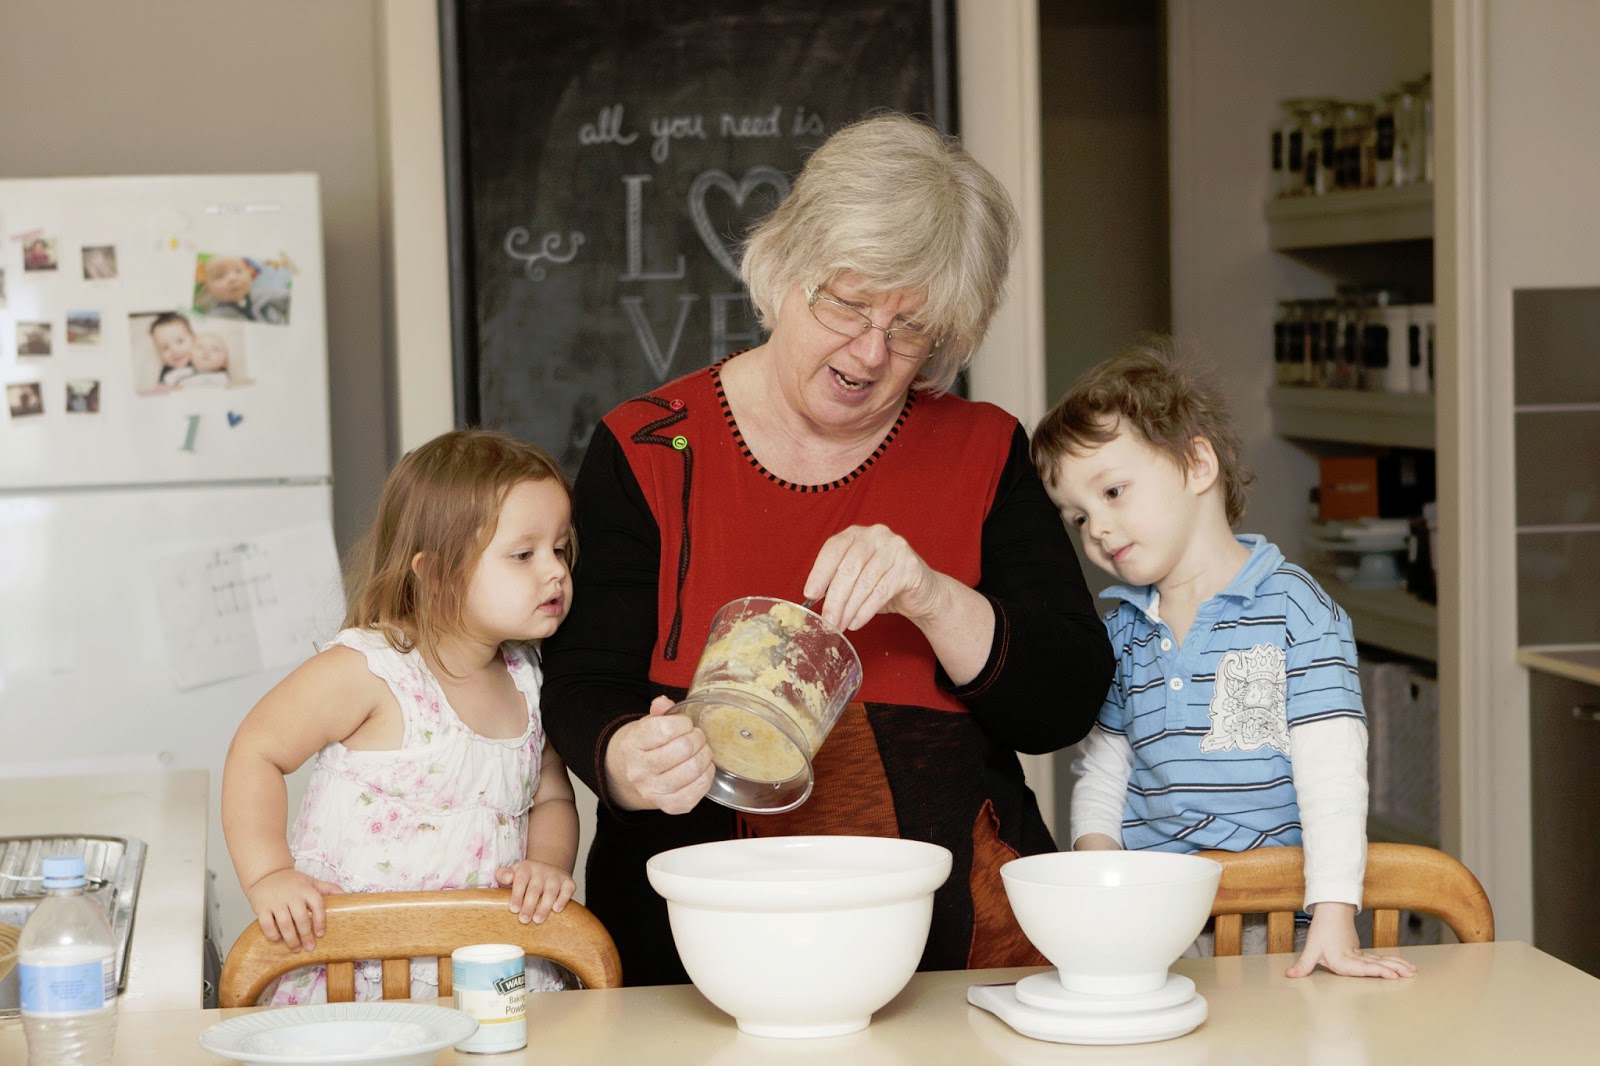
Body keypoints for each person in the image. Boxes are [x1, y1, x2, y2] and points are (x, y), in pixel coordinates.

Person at [541, 112, 1114, 987]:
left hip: (953, 968)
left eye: (912, 329)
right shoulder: (650, 448)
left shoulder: (985, 449)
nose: (871, 352)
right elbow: (582, 684)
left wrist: (931, 594)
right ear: (783, 272)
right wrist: (625, 756)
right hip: (698, 961)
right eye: (848, 304)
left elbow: (1063, 701)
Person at [1030, 342, 1417, 981]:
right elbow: (1103, 769)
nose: (1096, 527)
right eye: (1078, 517)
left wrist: (1334, 912)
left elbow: (1333, 778)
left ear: (1197, 463)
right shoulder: (1121, 630)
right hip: (1157, 928)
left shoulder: (1297, 611)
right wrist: (1100, 872)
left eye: (1114, 491)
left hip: (1277, 926)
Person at [221, 429, 581, 1003]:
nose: (555, 571)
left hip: (479, 971)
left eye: (560, 549)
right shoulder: (371, 669)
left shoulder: (528, 680)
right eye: (523, 554)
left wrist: (546, 863)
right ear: (436, 573)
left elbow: (551, 798)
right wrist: (269, 874)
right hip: (350, 969)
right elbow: (257, 750)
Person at [149, 312, 198, 387]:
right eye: (165, 348)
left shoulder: (202, 359)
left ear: (194, 339)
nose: (174, 351)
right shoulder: (166, 371)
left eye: (180, 341)